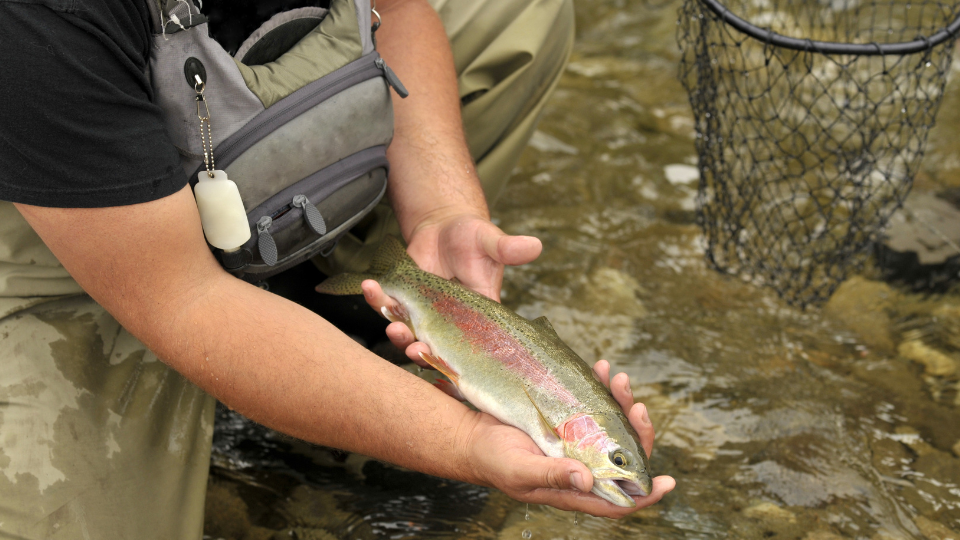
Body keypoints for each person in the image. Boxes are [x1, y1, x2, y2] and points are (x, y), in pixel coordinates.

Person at [0, 0, 676, 537]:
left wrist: (442, 210)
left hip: (211, 142)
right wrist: (467, 445)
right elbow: (182, 301)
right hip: (67, 222)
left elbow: (399, 11)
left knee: (513, 11)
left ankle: (343, 317)